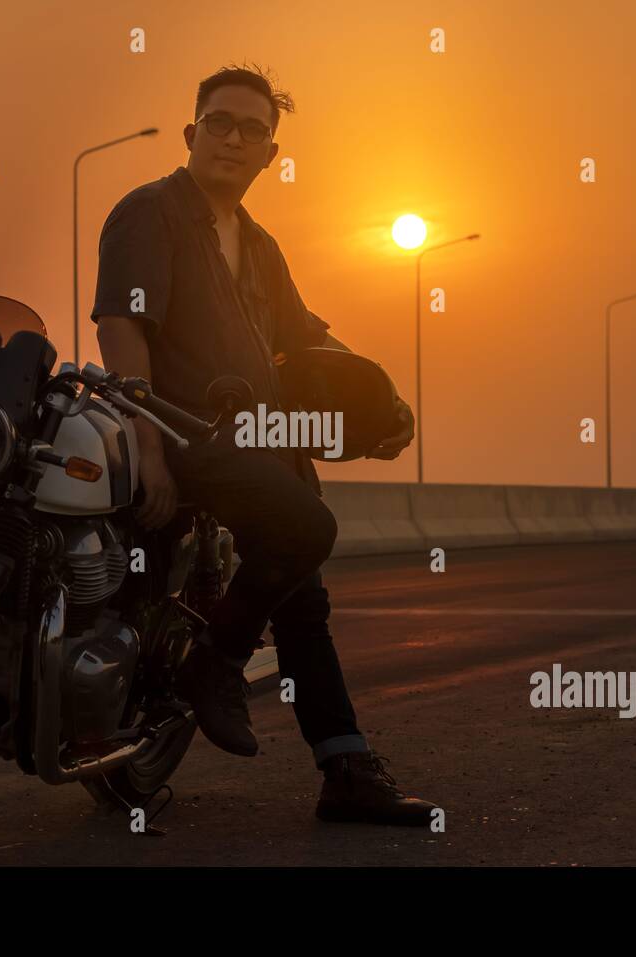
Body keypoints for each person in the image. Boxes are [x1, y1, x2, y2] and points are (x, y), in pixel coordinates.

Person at [91, 64, 435, 825]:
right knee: (310, 529)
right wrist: (147, 447)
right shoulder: (151, 214)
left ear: (270, 155)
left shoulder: (259, 243)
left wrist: (383, 405)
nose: (234, 138)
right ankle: (214, 662)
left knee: (302, 594)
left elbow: (307, 339)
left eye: (253, 130)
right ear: (192, 133)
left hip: (260, 442)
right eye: (221, 122)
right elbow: (123, 327)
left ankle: (344, 766)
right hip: (185, 433)